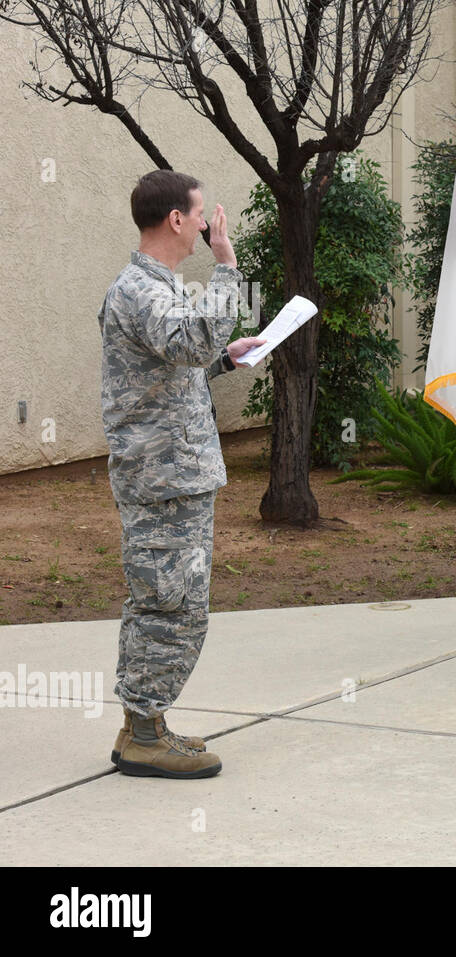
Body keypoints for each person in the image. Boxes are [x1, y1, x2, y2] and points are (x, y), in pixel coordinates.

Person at [101, 169, 264, 779]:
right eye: (200, 216)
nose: (206, 226)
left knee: (172, 602)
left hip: (177, 477)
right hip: (161, 481)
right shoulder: (140, 290)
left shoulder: (157, 286)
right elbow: (188, 342)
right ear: (175, 219)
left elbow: (178, 364)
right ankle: (143, 734)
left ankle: (145, 724)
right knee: (167, 604)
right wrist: (226, 263)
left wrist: (226, 356)